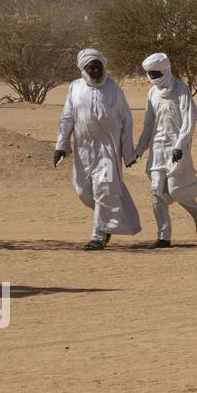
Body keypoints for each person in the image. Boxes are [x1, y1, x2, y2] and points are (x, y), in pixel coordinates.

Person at [55, 49, 143, 250]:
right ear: (83, 68)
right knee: (83, 191)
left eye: (98, 66)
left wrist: (128, 152)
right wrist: (61, 144)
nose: (95, 70)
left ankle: (98, 235)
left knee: (104, 190)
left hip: (107, 150)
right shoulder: (75, 88)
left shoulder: (113, 89)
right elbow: (67, 117)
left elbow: (126, 120)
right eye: (90, 67)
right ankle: (108, 219)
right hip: (83, 150)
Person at [132, 53, 197, 248]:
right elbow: (148, 125)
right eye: (150, 73)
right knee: (155, 193)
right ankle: (163, 237)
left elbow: (189, 119)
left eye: (157, 72)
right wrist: (139, 150)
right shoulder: (152, 93)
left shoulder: (182, 89)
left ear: (166, 70)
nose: (153, 77)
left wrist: (180, 145)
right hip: (157, 149)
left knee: (176, 190)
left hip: (177, 149)